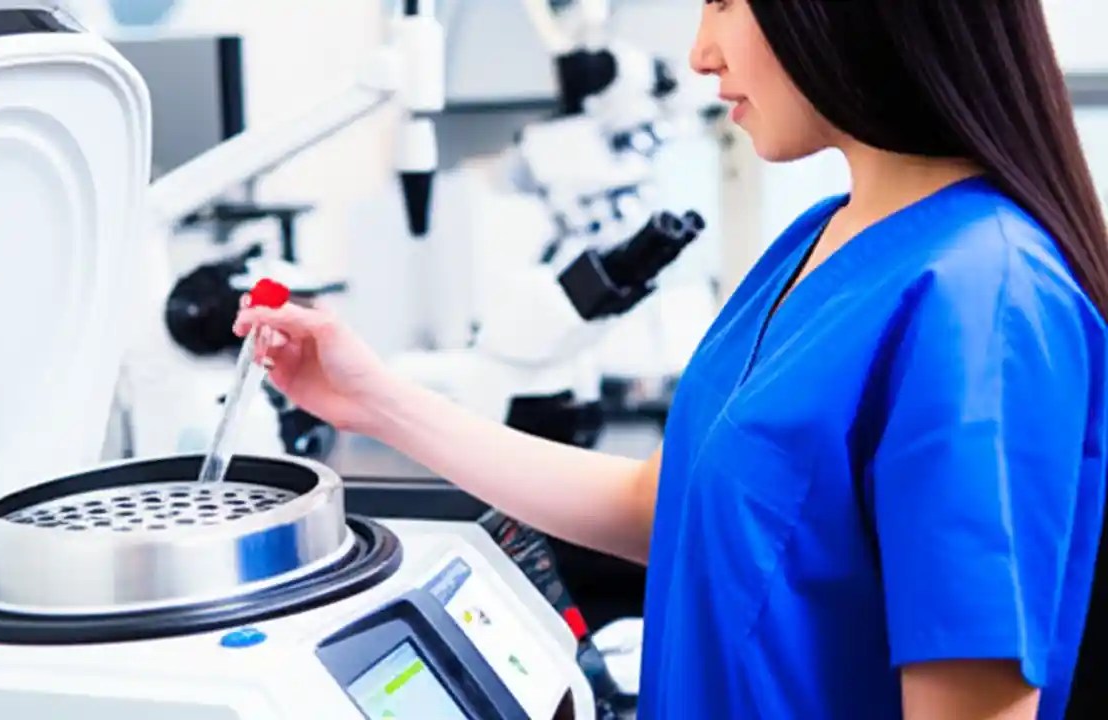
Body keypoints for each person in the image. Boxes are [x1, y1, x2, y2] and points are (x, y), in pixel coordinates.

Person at [235, 1, 1108, 717]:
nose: (699, 52)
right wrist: (372, 397)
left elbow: (975, 707)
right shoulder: (820, 239)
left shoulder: (983, 295)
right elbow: (663, 508)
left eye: (725, 1)